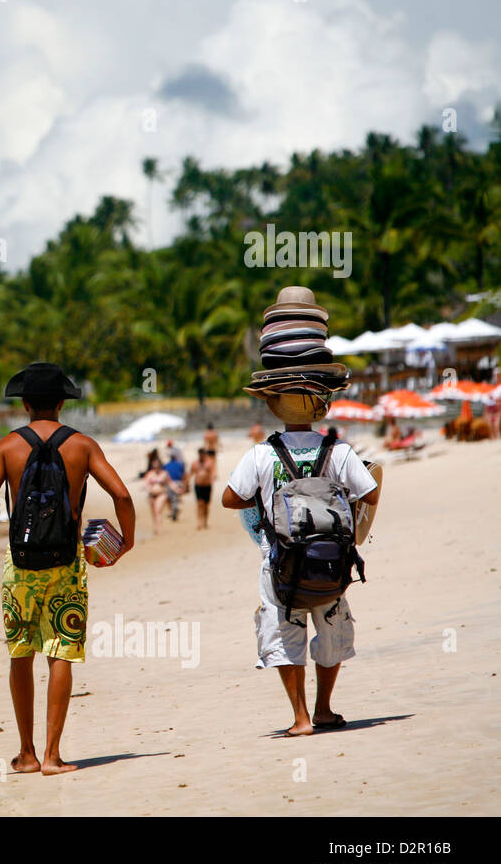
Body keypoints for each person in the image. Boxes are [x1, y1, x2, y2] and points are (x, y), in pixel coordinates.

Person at [222, 287, 379, 737]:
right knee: (331, 631)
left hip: (280, 562)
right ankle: (325, 708)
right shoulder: (340, 449)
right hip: (331, 559)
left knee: (284, 632)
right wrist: (352, 526)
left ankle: (301, 718)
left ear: (272, 400)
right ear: (323, 399)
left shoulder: (261, 454)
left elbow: (230, 499)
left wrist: (269, 499)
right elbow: (368, 492)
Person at [0, 362, 135, 776]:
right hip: (67, 564)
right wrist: (125, 541)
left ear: (24, 404)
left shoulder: (7, 447)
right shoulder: (82, 445)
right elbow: (122, 495)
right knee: (61, 651)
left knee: (21, 652)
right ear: (62, 403)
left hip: (19, 564)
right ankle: (52, 756)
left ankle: (24, 753)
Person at [141, 456, 172, 534]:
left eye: (157, 465)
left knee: (158, 510)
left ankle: (159, 529)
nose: (156, 467)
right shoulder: (149, 474)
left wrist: (178, 490)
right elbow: (145, 483)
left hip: (161, 494)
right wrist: (147, 488)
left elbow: (170, 483)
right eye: (154, 465)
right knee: (153, 512)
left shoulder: (164, 473)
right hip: (151, 495)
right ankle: (156, 527)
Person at [190, 448, 216, 530]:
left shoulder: (209, 463)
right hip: (198, 486)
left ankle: (205, 521)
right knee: (199, 504)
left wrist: (212, 478)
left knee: (206, 505)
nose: (202, 456)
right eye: (200, 454)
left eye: (203, 454)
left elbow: (213, 472)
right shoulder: (195, 463)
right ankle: (199, 522)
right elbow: (191, 473)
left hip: (207, 486)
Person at [162, 444, 186, 521]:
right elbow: (183, 475)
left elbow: (165, 476)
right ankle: (174, 510)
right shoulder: (180, 465)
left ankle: (173, 511)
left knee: (171, 498)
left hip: (170, 484)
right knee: (175, 499)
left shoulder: (166, 465)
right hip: (178, 483)